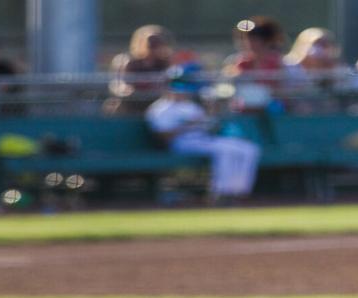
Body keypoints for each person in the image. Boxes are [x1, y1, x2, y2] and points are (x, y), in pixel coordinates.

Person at [145, 64, 262, 203]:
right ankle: (221, 193)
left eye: (183, 86)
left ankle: (240, 191)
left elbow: (208, 126)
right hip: (181, 143)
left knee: (249, 149)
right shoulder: (160, 109)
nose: (181, 90)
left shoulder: (191, 106)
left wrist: (211, 112)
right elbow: (163, 136)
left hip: (203, 140)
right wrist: (187, 126)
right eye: (176, 85)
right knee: (224, 150)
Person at [106, 25, 179, 116]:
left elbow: (172, 83)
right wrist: (126, 90)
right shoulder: (128, 62)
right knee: (115, 105)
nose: (153, 48)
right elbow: (118, 85)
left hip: (157, 102)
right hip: (132, 101)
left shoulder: (165, 63)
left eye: (157, 44)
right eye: (151, 44)